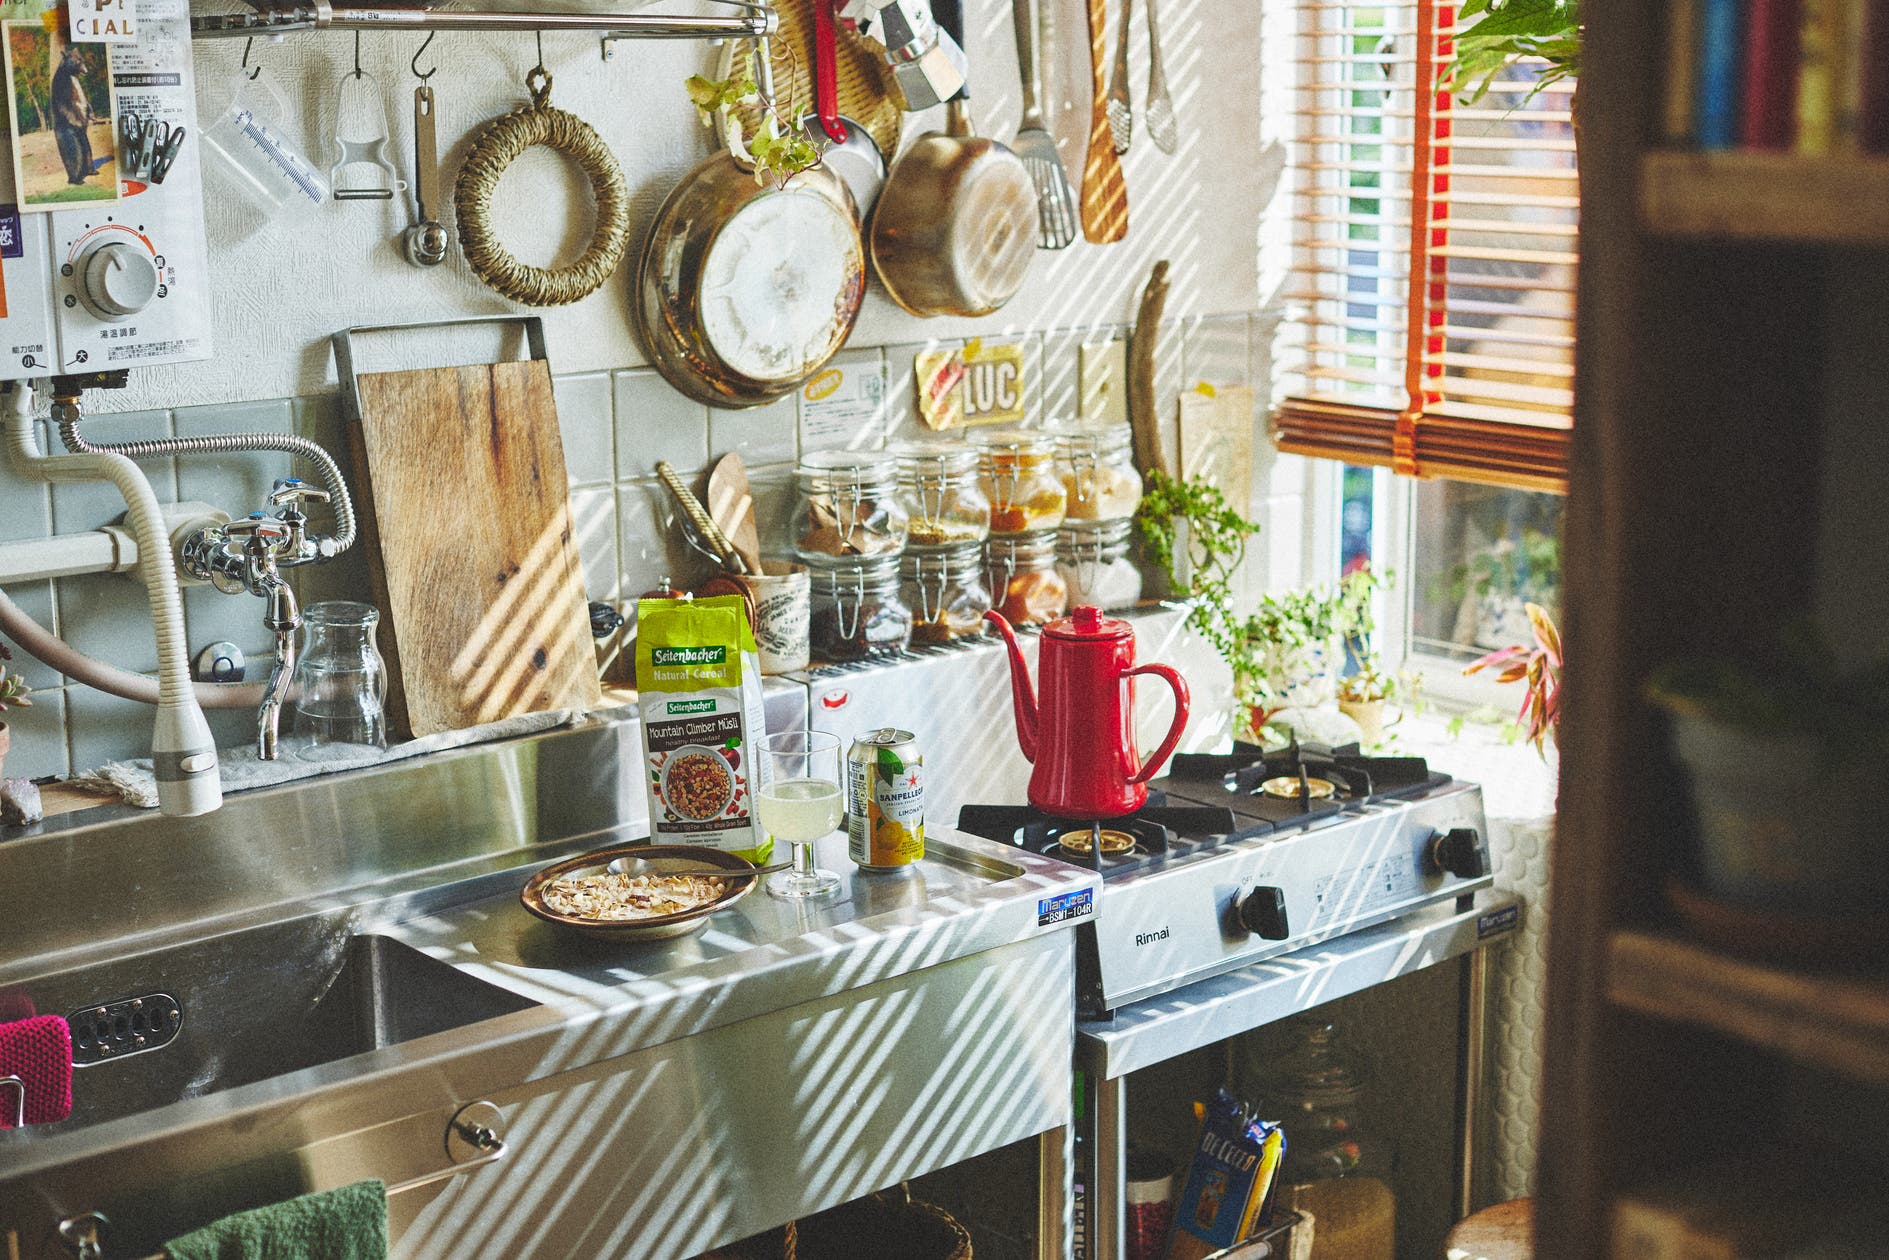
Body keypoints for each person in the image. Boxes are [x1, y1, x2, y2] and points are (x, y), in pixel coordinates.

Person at [51, 47, 93, 186]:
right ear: (68, 61)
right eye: (79, 63)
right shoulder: (60, 80)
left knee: (84, 146)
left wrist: (88, 109)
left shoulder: (72, 77)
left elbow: (80, 97)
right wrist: (73, 119)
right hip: (66, 123)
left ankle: (88, 169)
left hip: (78, 120)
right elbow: (62, 104)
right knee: (72, 150)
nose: (83, 68)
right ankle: (74, 177)